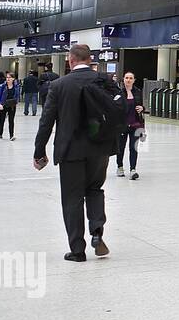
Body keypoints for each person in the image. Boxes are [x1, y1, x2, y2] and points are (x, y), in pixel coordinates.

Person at [33, 43, 120, 262]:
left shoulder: (59, 85)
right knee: (95, 189)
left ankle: (77, 250)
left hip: (70, 150)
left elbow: (46, 122)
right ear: (90, 60)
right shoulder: (104, 81)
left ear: (71, 60)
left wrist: (39, 151)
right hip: (100, 148)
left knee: (72, 199)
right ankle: (97, 232)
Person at [115, 72, 145, 180]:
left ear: (134, 80)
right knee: (121, 148)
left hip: (135, 124)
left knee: (134, 148)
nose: (128, 80)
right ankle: (120, 167)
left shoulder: (138, 92)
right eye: (126, 78)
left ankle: (133, 169)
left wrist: (142, 108)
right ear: (123, 79)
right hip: (122, 125)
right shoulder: (118, 92)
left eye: (130, 78)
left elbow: (141, 106)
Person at [0, 71, 20, 140]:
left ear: (13, 79)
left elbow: (17, 96)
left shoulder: (16, 86)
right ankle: (0, 134)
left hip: (11, 105)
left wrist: (16, 102)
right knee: (2, 119)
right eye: (7, 77)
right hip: (3, 105)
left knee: (11, 120)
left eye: (10, 77)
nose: (8, 79)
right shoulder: (2, 86)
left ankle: (11, 135)